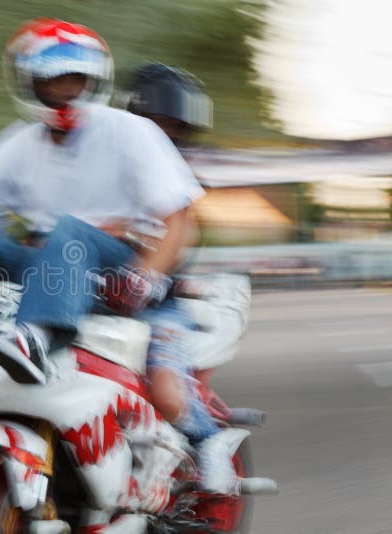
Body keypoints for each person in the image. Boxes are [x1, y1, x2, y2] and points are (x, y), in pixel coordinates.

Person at [0, 20, 234, 493]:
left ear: (94, 81)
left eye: (73, 77)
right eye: (50, 78)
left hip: (121, 273)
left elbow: (179, 220)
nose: (63, 88)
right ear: (29, 83)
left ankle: (207, 444)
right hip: (51, 275)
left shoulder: (133, 132)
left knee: (70, 236)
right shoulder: (10, 147)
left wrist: (143, 276)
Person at [127, 63, 240, 495]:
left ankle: (211, 443)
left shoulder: (179, 178)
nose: (165, 132)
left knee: (168, 394)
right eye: (157, 122)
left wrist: (129, 237)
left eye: (174, 125)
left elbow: (179, 233)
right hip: (94, 300)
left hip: (158, 305)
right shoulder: (107, 164)